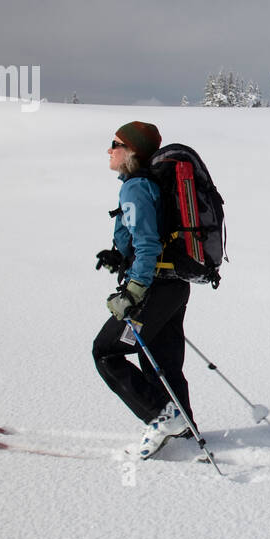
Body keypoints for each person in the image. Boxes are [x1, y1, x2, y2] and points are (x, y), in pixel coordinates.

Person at [92, 121, 194, 459]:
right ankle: (185, 435)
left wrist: (133, 292)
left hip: (153, 290)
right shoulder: (148, 185)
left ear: (132, 151)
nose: (110, 149)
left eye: (115, 143)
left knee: (106, 351)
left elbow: (148, 244)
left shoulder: (136, 187)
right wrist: (119, 256)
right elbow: (148, 239)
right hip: (174, 285)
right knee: (161, 363)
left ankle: (163, 417)